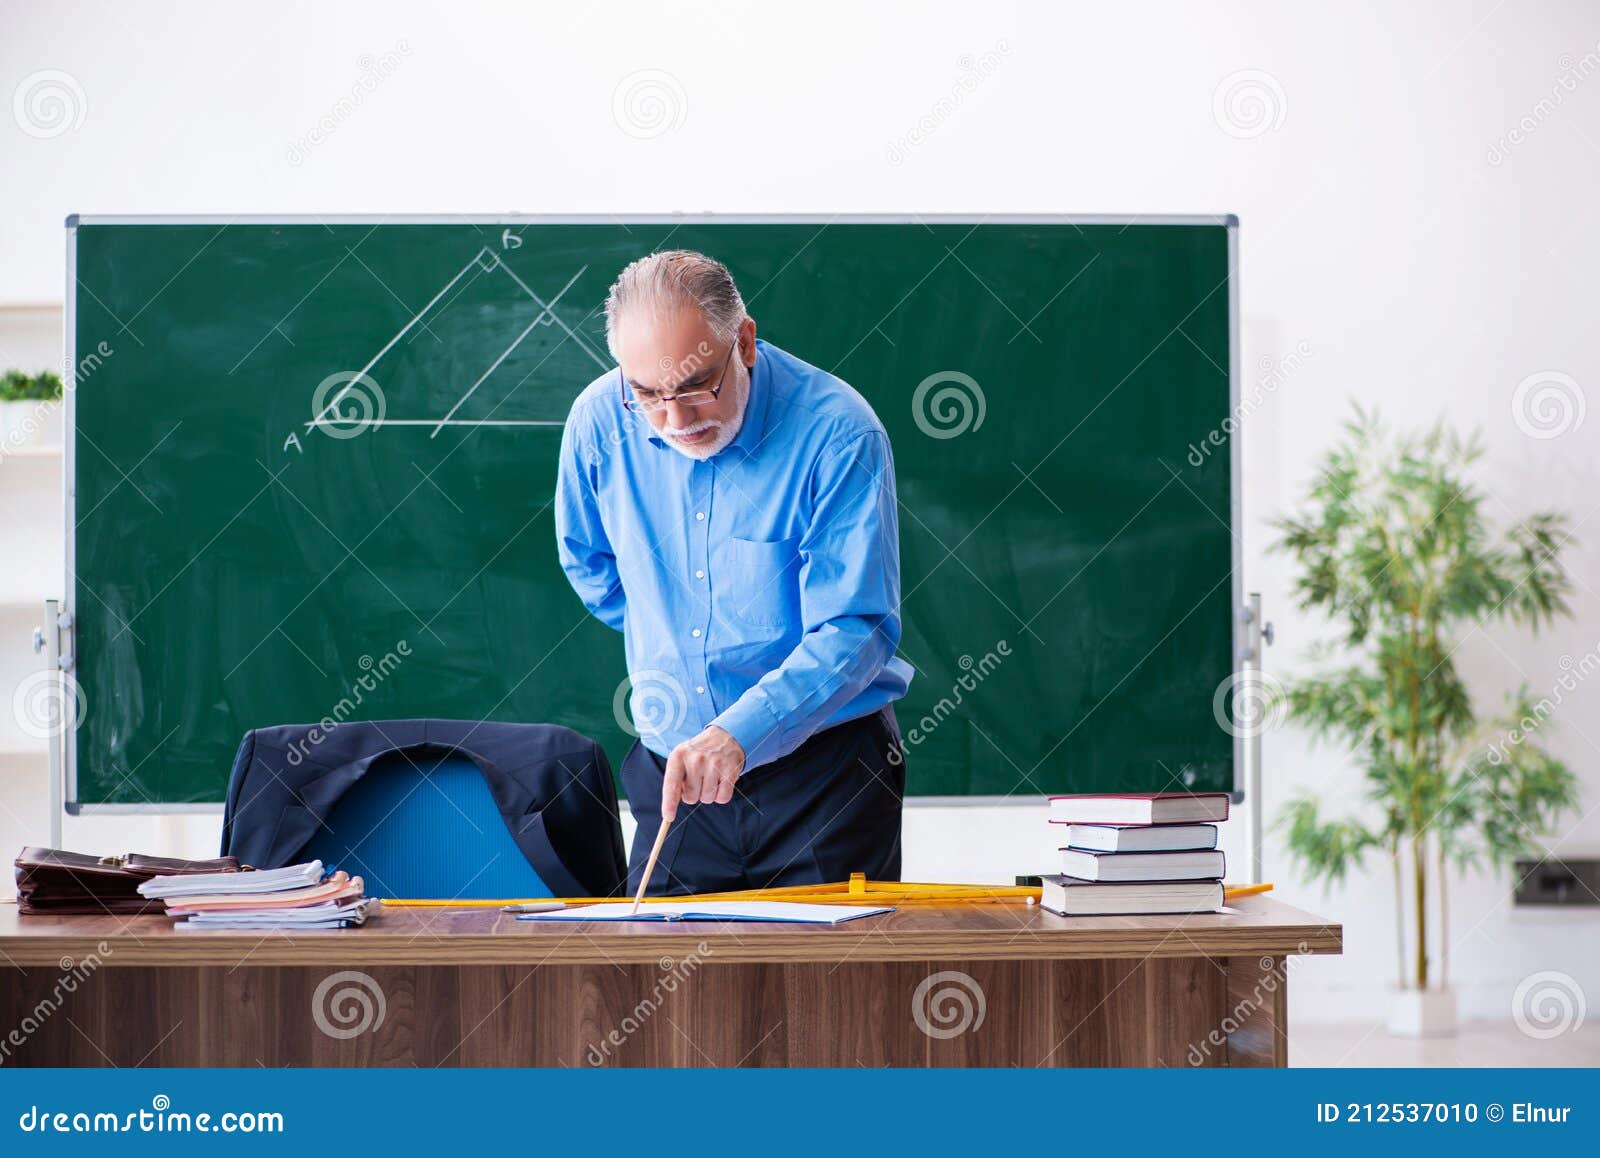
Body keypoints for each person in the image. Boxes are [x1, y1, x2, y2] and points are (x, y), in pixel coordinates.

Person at [555, 249, 913, 895]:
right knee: (658, 988)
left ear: (742, 341)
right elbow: (592, 567)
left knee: (830, 993)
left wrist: (741, 728)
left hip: (824, 782)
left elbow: (858, 628)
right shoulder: (598, 422)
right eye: (647, 395)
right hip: (675, 778)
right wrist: (678, 639)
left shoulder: (838, 434)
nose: (674, 420)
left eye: (695, 386)